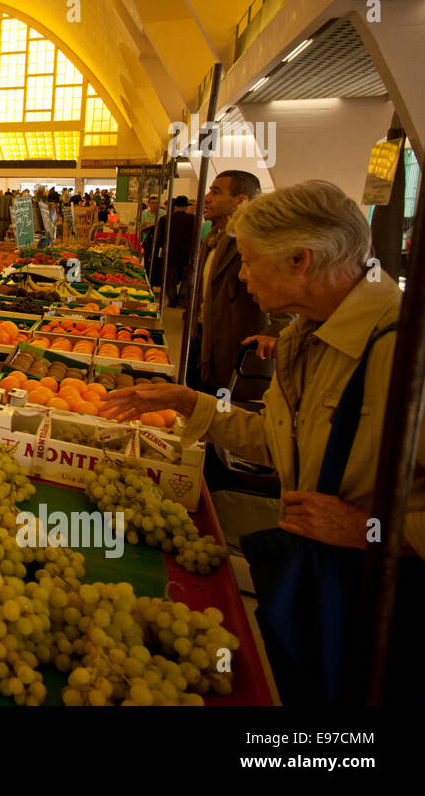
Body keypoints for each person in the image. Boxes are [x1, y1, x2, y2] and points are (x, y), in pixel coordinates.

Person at [100, 180, 424, 705]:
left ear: (300, 259)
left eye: (249, 262)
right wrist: (187, 400)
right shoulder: (304, 336)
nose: (242, 275)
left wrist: (370, 529)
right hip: (325, 587)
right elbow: (275, 441)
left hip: (385, 607)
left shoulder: (407, 350)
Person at [186, 170, 290, 399]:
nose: (207, 197)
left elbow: (288, 299)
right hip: (204, 347)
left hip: (238, 356)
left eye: (216, 191)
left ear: (240, 201)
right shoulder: (213, 237)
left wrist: (273, 333)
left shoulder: (257, 241)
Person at [152, 195, 196, 307]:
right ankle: (181, 300)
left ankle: (172, 300)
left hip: (170, 253)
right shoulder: (193, 219)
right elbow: (196, 238)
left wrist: (157, 253)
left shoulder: (165, 219)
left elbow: (159, 239)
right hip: (187, 254)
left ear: (175, 206)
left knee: (170, 278)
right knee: (186, 278)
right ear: (186, 207)